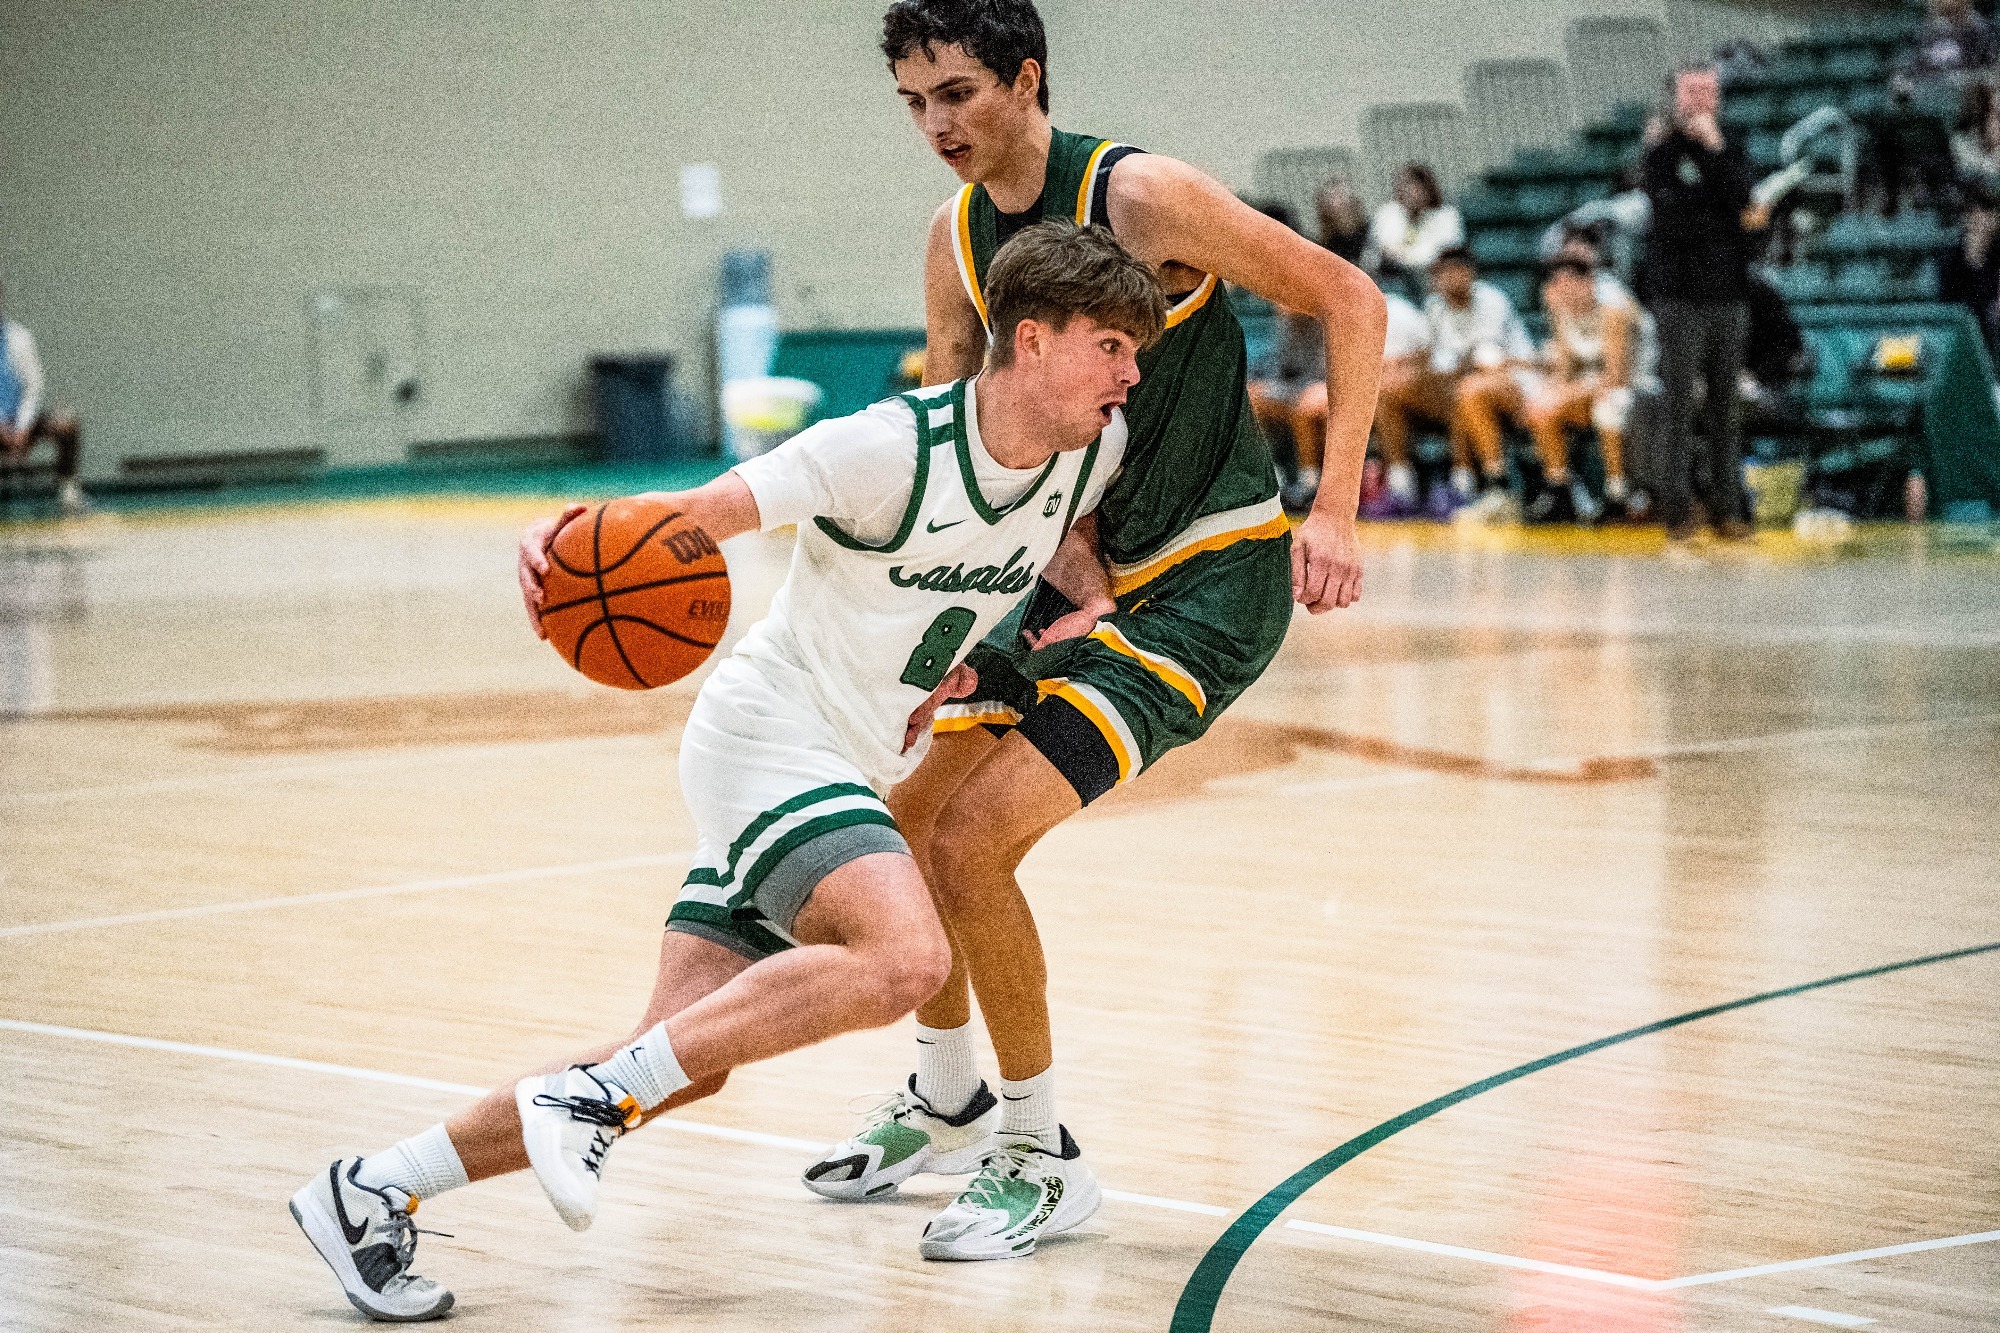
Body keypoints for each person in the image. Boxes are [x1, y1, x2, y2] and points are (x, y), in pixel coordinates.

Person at [287, 220, 1165, 1321]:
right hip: (769, 735)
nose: (1132, 372)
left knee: (684, 1056)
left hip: (840, 751)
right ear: (1030, 342)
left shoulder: (1095, 445)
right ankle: (590, 1099)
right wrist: (569, 538)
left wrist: (1024, 617)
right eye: (1111, 347)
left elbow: (1043, 533)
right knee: (902, 956)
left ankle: (371, 1190)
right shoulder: (883, 447)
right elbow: (696, 516)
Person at [802, 0, 1385, 1262]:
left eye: (954, 93)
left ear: (1025, 78)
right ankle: (949, 1092)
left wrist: (1333, 510)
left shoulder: (1141, 197)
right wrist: (966, 596)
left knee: (970, 840)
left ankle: (1038, 1152)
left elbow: (1349, 298)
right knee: (899, 823)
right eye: (912, 102)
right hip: (1071, 582)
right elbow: (966, 429)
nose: (934, 125)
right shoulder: (956, 237)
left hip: (1210, 578)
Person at [1641, 65, 1770, 550]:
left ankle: (1729, 507)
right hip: (1679, 296)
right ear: (1676, 97)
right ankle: (1676, 509)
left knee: (1725, 406)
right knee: (1678, 403)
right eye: (1690, 91)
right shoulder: (1660, 153)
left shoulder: (1732, 146)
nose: (1699, 100)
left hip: (1728, 294)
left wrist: (1715, 155)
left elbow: (1748, 206)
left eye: (1708, 91)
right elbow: (1673, 215)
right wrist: (1722, 213)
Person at [1375, 246, 1533, 521]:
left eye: (1455, 271)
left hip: (1515, 385)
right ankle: (1401, 487)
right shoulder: (1435, 307)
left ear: (1470, 273)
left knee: (1464, 388)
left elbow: (1485, 358)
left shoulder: (1491, 301)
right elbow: (1430, 358)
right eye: (1442, 273)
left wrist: (1437, 373)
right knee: (1388, 390)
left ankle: (1464, 485)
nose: (1448, 279)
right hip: (1460, 385)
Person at [0, 284, 87, 517]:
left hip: (19, 422)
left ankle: (69, 493)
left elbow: (34, 385)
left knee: (66, 425)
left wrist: (22, 426)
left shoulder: (18, 337)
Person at [1365, 163, 1466, 299]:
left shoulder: (1447, 215)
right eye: (1404, 186)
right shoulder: (1387, 213)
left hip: (1435, 282)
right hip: (1397, 281)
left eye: (1415, 186)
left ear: (1428, 188)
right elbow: (1386, 251)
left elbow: (1446, 254)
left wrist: (1407, 255)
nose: (1410, 192)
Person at [1938, 194, 1999, 355]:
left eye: (1988, 215)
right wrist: (1975, 264)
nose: (1981, 224)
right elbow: (1952, 305)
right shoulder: (1952, 259)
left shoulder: (1996, 254)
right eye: (1974, 217)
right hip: (1965, 340)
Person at [1902, 0, 1999, 78]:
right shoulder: (1926, 31)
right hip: (1935, 89)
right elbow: (1918, 69)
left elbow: (1989, 70)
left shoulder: (1981, 30)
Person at [1315, 178, 1371, 265]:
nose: (1339, 202)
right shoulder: (1328, 245)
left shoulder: (1369, 233)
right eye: (1333, 197)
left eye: (1341, 195)